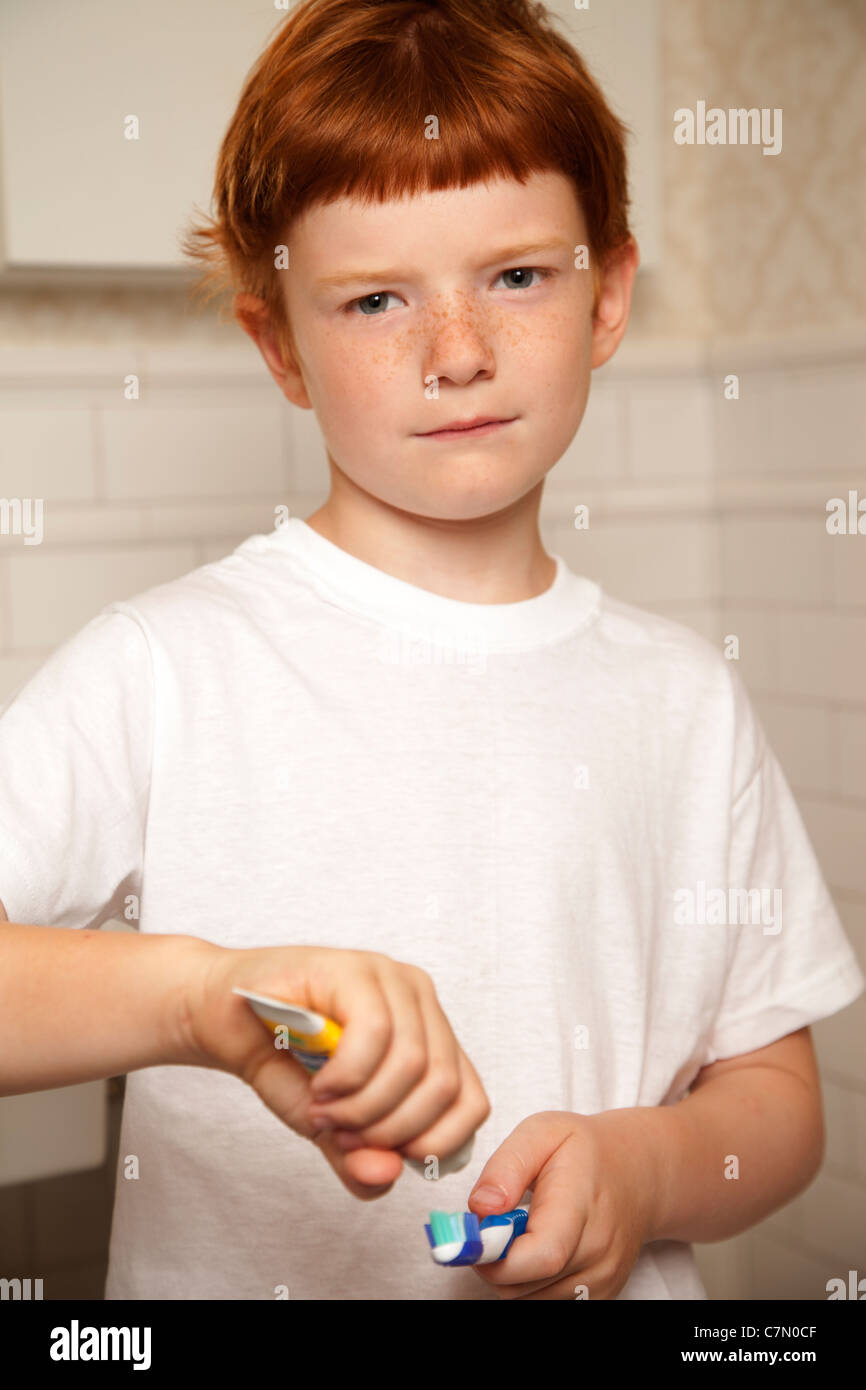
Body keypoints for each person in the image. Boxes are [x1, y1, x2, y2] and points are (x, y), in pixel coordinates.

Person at [0, 0, 861, 1301]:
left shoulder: (683, 697)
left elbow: (777, 1103)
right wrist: (205, 1000)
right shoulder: (162, 671)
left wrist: (645, 1166)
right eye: (373, 299)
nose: (455, 353)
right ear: (278, 342)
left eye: (516, 276)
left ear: (607, 294)